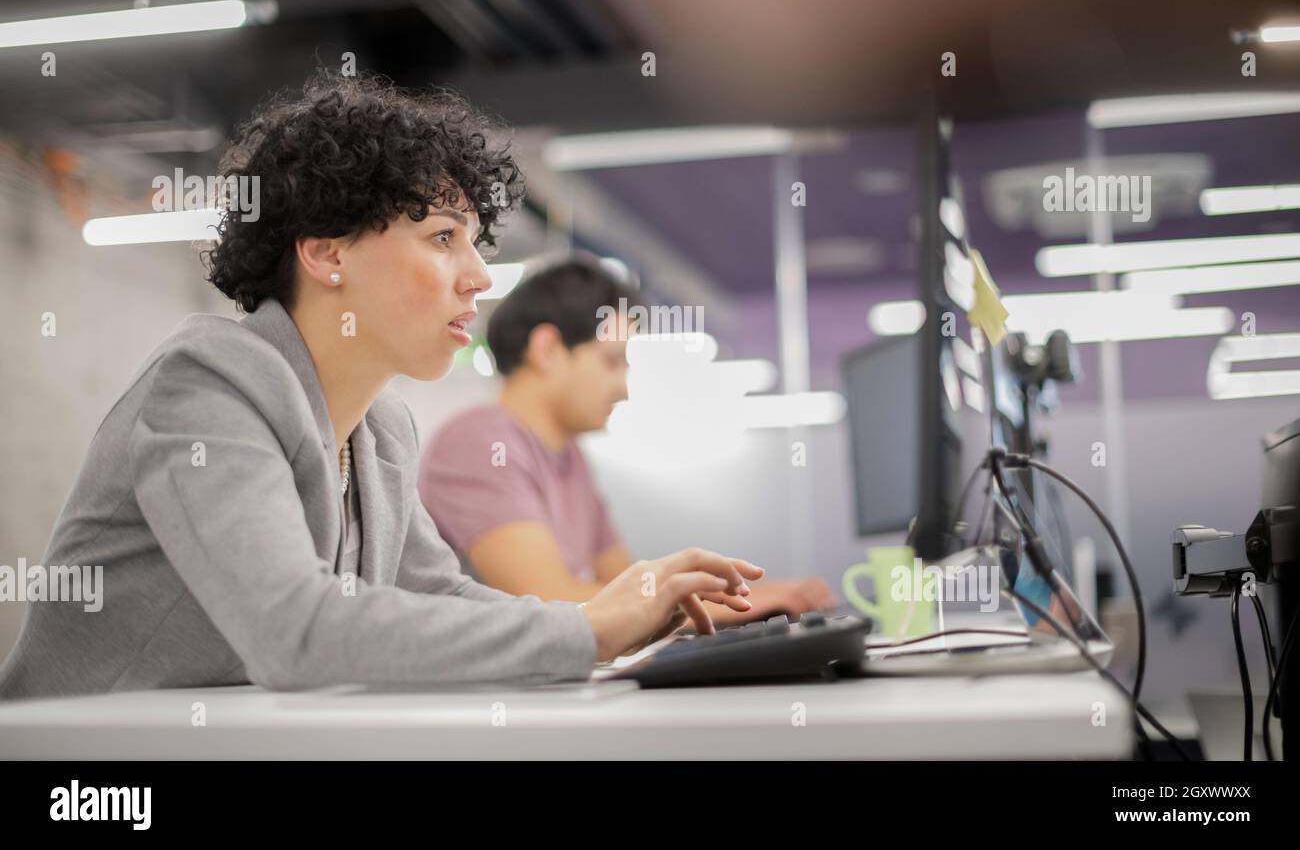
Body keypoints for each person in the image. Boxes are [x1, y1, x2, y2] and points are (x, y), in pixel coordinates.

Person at [0, 71, 761, 700]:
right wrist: (587, 630)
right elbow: (294, 632)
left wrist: (625, 612)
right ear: (328, 255)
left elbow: (439, 595)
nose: (478, 275)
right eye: (441, 238)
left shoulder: (381, 428)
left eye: (472, 242)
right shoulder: (206, 385)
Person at [417, 257, 836, 626]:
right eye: (611, 361)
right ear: (547, 349)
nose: (624, 389)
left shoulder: (569, 457)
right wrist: (749, 604)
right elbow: (547, 601)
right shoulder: (479, 442)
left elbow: (626, 585)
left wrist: (738, 600)